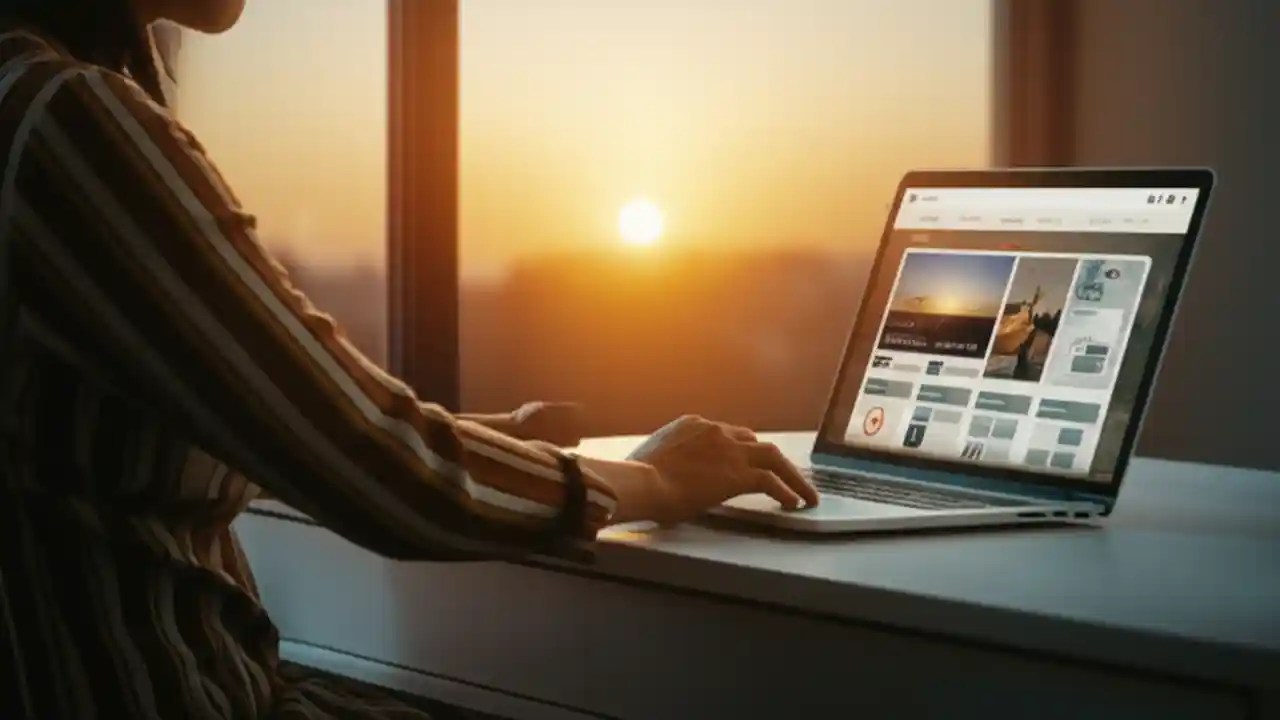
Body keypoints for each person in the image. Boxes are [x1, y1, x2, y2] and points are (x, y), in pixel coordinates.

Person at [0, 1, 818, 718]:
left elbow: (271, 417)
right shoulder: (63, 124)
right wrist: (656, 481)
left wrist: (491, 439)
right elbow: (371, 462)